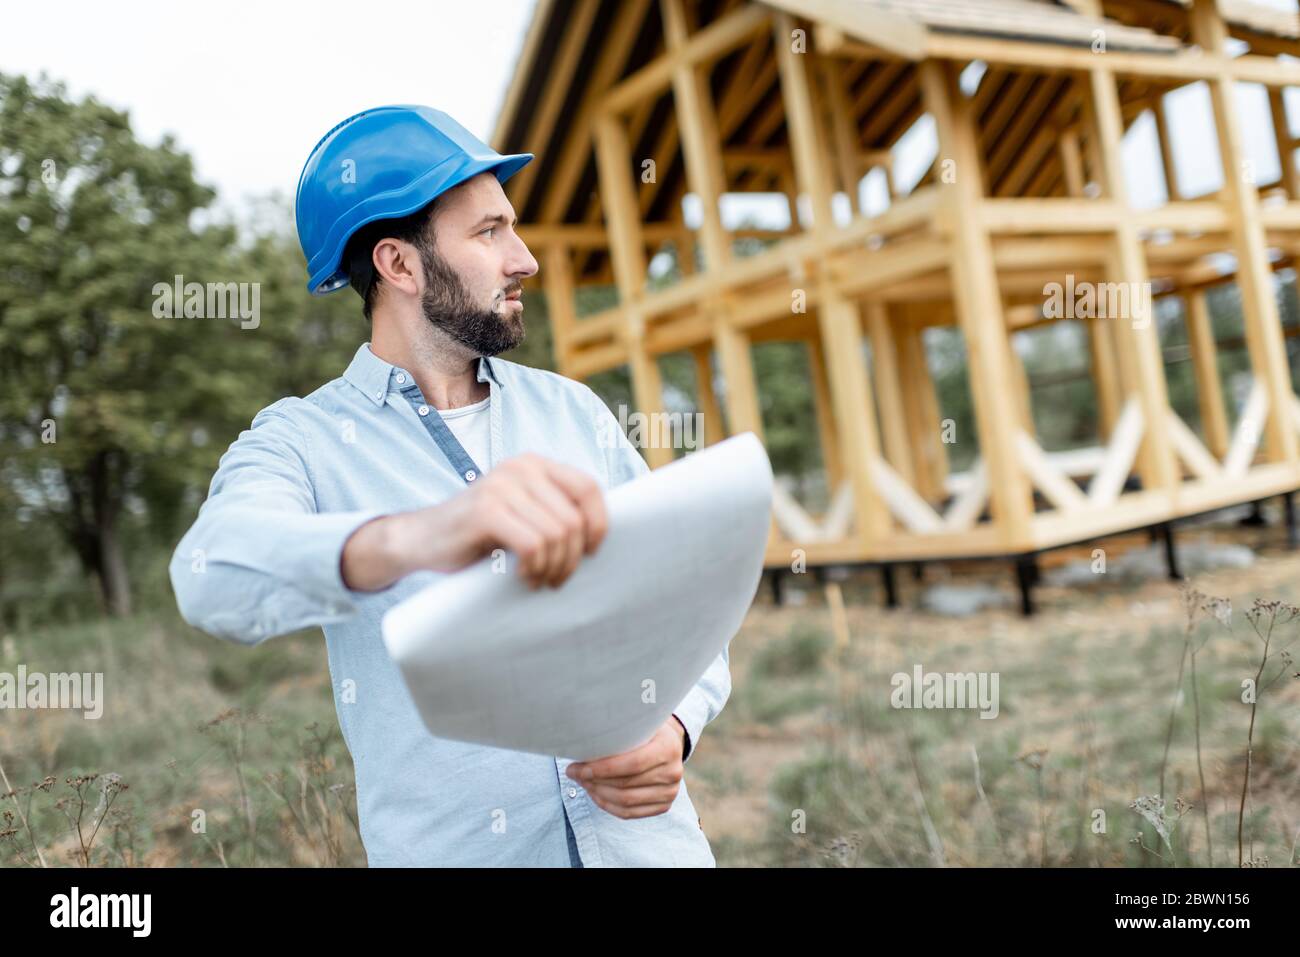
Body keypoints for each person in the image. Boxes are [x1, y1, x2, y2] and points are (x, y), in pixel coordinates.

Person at [169, 105, 731, 867]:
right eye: (490, 232)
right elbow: (211, 577)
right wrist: (423, 534)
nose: (525, 258)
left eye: (513, 227)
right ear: (400, 265)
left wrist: (676, 723)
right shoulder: (298, 442)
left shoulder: (571, 409)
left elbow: (681, 593)